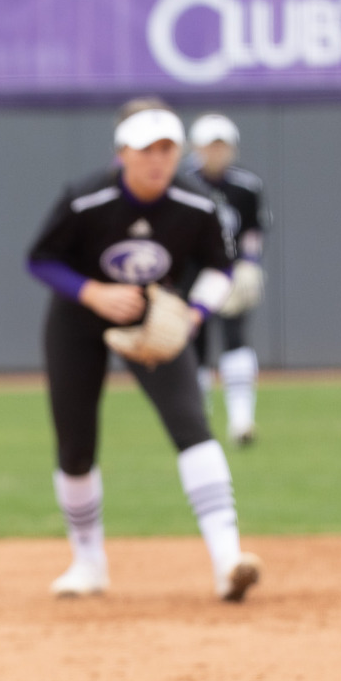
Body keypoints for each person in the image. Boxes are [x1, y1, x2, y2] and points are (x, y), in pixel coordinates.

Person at [27, 98, 262, 603]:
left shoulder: (197, 204)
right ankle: (88, 563)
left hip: (154, 320)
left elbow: (221, 267)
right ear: (122, 154)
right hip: (78, 319)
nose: (157, 159)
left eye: (166, 148)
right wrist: (93, 293)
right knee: (75, 445)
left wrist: (194, 315)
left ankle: (229, 561)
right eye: (145, 149)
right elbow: (41, 259)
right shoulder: (86, 198)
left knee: (192, 427)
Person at [186, 113, 266, 447]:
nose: (216, 153)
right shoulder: (183, 184)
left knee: (235, 338)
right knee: (194, 345)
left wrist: (249, 265)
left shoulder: (246, 186)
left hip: (230, 272)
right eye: (210, 146)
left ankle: (241, 420)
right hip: (192, 274)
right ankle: (197, 422)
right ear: (196, 148)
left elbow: (252, 231)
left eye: (222, 146)